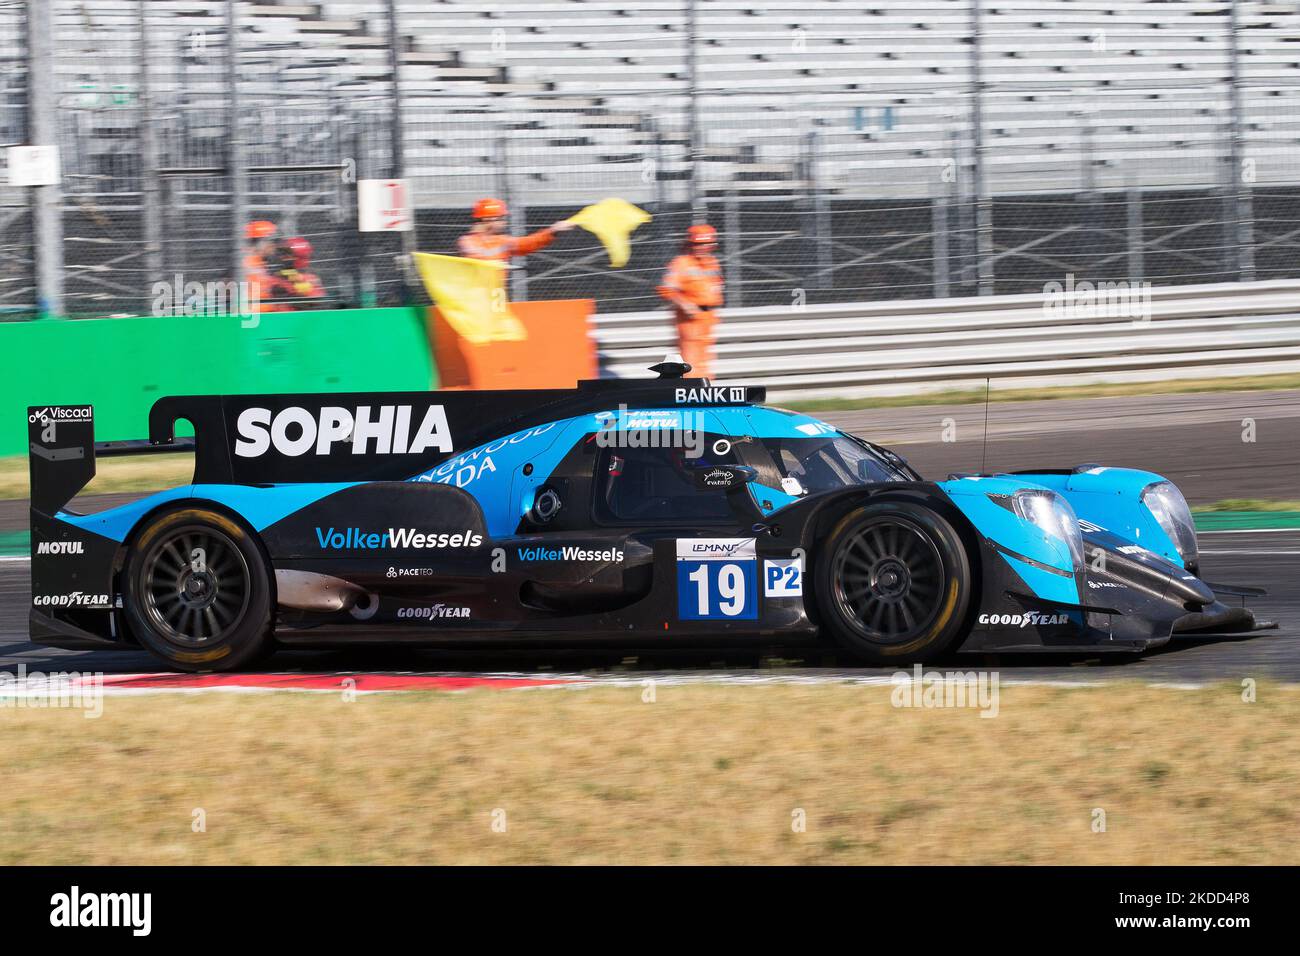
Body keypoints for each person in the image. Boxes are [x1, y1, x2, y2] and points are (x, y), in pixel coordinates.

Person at [658, 223, 724, 379]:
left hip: (708, 318)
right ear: (690, 244)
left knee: (704, 360)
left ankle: (704, 392)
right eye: (698, 244)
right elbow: (666, 289)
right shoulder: (681, 263)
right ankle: (692, 392)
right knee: (691, 359)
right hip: (690, 319)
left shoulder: (712, 262)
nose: (702, 248)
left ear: (712, 245)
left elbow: (716, 286)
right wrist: (685, 305)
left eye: (706, 244)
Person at [457, 197, 574, 262]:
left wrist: (553, 230)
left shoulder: (502, 241)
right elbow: (478, 258)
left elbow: (529, 243)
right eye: (501, 218)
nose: (504, 222)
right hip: (474, 300)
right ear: (489, 219)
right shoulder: (467, 241)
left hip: (494, 299)